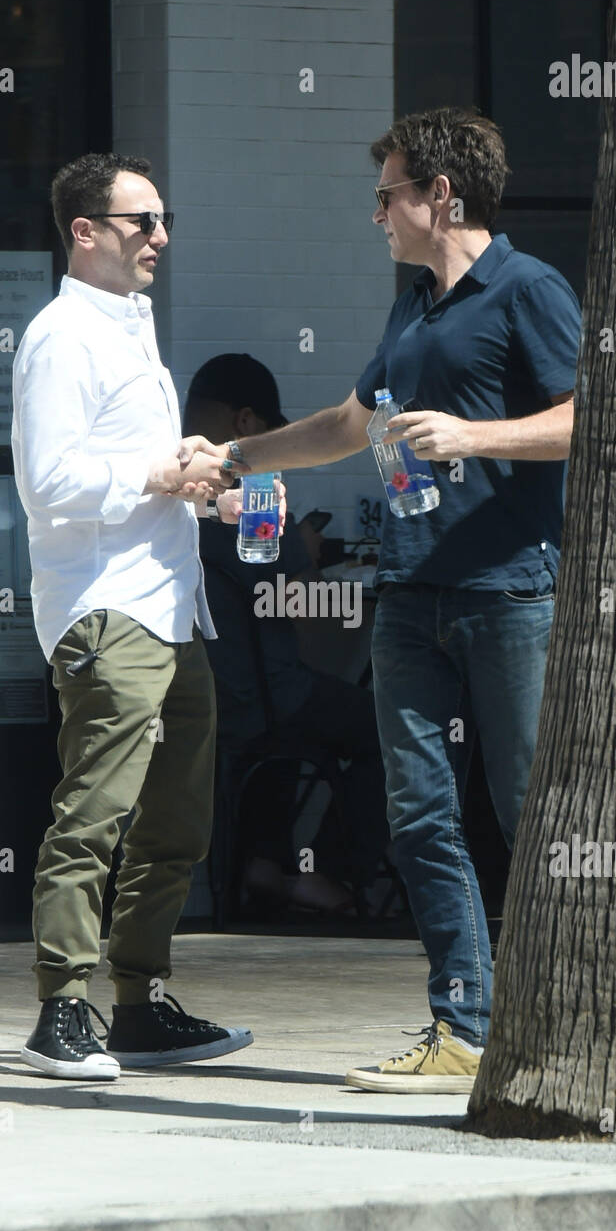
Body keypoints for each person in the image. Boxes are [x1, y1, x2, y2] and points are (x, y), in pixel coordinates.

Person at [211, 107, 582, 1093]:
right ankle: (461, 1023)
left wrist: (475, 438)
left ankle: (572, 1017)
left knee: (527, 808)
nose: (375, 215)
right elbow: (349, 420)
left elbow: (587, 415)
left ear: (439, 195)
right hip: (411, 593)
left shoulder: (528, 288)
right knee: (417, 813)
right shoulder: (414, 307)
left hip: (510, 593)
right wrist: (236, 454)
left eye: (386, 195)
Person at [11, 152, 265, 1079]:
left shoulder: (128, 329)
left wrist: (202, 491)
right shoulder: (61, 335)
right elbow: (49, 483)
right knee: (95, 814)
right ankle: (61, 1011)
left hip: (171, 610)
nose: (161, 237)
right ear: (85, 232)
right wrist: (161, 472)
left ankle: (139, 1003)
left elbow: (132, 478)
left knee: (174, 826)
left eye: (161, 220)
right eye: (141, 222)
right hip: (105, 610)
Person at [184, 353, 390, 916]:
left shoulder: (179, 490)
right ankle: (334, 875)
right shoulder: (252, 495)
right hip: (266, 697)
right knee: (387, 730)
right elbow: (302, 604)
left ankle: (266, 865)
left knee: (303, 725)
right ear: (246, 424)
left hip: (211, 698)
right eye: (277, 434)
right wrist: (310, 553)